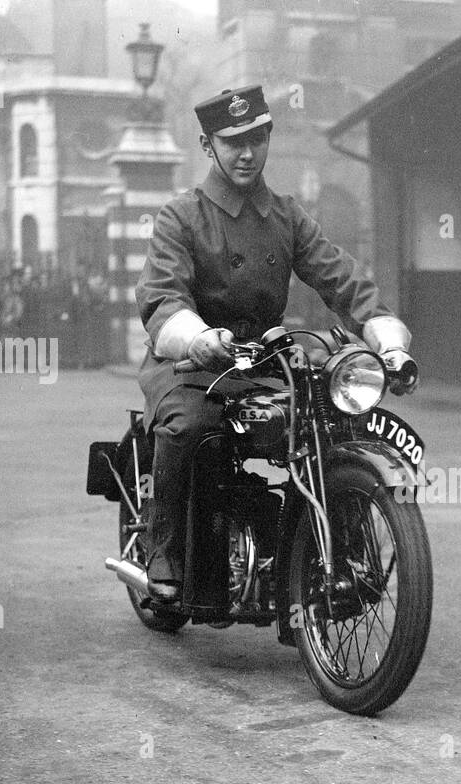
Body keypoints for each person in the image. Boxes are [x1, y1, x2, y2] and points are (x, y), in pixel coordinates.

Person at [135, 85, 415, 604]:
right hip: (189, 365)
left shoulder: (286, 217)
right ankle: (164, 548)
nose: (246, 154)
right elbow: (162, 298)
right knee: (190, 425)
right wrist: (197, 338)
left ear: (268, 139)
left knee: (330, 420)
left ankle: (328, 553)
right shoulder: (182, 216)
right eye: (232, 141)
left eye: (257, 139)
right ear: (207, 146)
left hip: (262, 361)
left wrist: (385, 336)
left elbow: (341, 279)